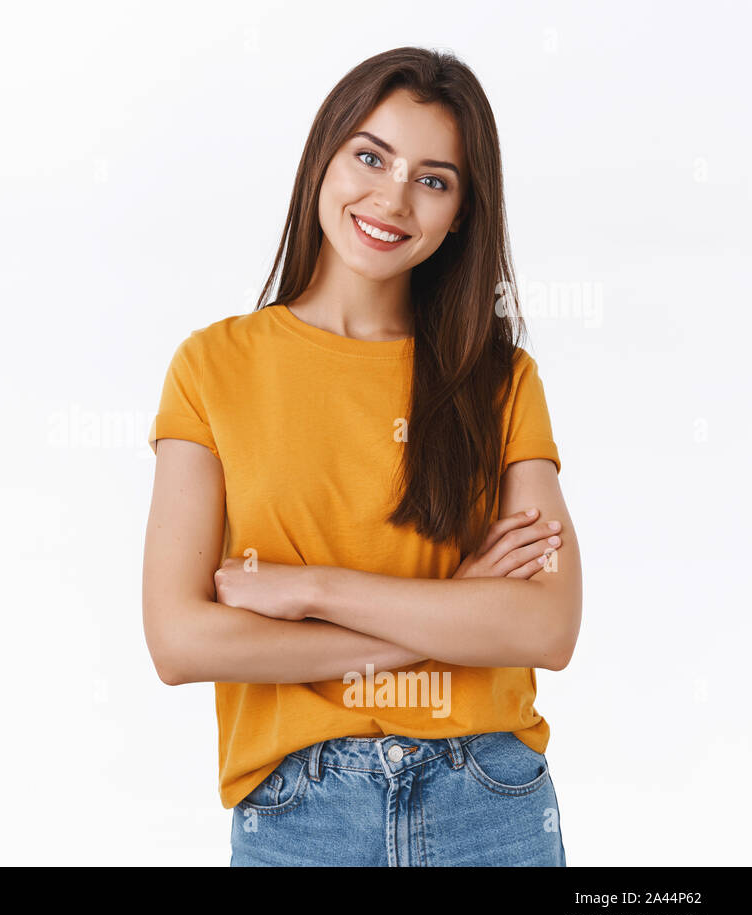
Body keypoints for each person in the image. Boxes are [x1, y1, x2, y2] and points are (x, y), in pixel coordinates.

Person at [141, 47, 581, 866]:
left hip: (488, 799)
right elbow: (181, 640)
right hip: (301, 814)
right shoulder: (212, 367)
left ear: (461, 214)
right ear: (325, 156)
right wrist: (446, 615)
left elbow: (547, 625)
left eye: (434, 178)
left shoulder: (499, 379)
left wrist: (308, 590)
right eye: (371, 157)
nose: (393, 197)